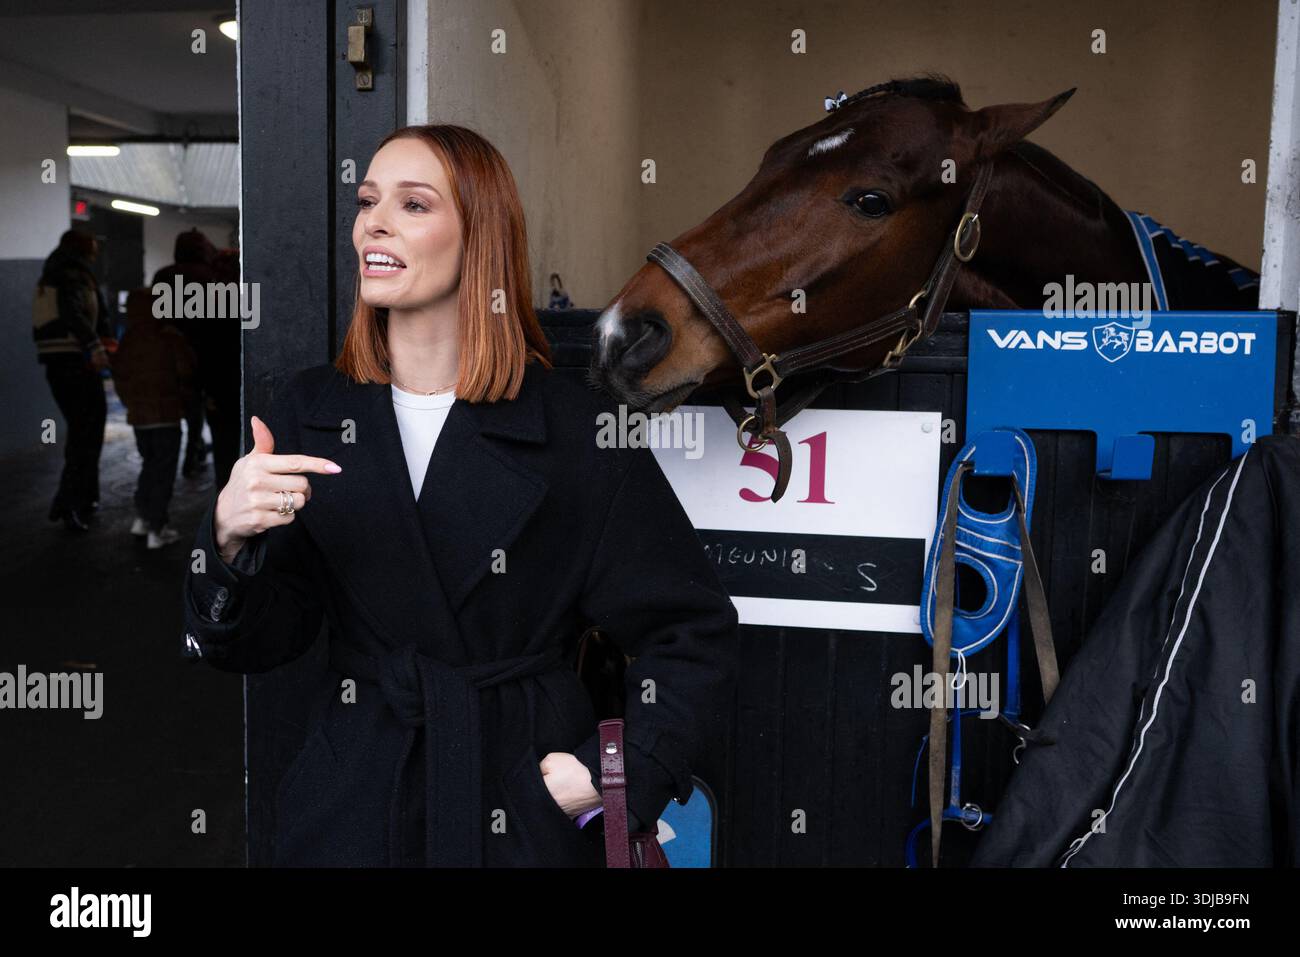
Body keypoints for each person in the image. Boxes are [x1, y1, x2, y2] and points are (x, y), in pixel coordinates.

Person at [181, 124, 739, 867]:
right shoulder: (306, 413)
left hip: (517, 805)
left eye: (413, 204)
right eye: (368, 200)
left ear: (481, 235)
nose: (373, 222)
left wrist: (606, 776)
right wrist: (226, 538)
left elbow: (691, 630)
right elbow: (265, 640)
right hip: (353, 800)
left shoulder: (575, 432)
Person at [32, 229, 111, 532]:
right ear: (82, 247)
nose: (95, 248)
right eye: (92, 244)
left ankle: (84, 498)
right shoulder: (72, 274)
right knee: (87, 432)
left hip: (57, 362)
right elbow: (73, 312)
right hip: (74, 359)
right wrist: (94, 345)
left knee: (83, 430)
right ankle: (70, 503)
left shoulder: (51, 273)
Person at [112, 288, 198, 548]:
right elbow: (188, 370)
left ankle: (142, 518)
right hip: (166, 415)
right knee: (164, 471)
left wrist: (132, 403)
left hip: (139, 417)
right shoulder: (169, 336)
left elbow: (119, 376)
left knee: (149, 466)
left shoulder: (128, 339)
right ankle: (157, 530)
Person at [152, 228, 221, 478]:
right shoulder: (212, 276)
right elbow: (220, 322)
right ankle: (196, 454)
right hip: (208, 355)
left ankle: (182, 459)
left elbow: (157, 319)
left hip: (171, 356)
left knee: (179, 411)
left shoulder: (163, 276)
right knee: (204, 410)